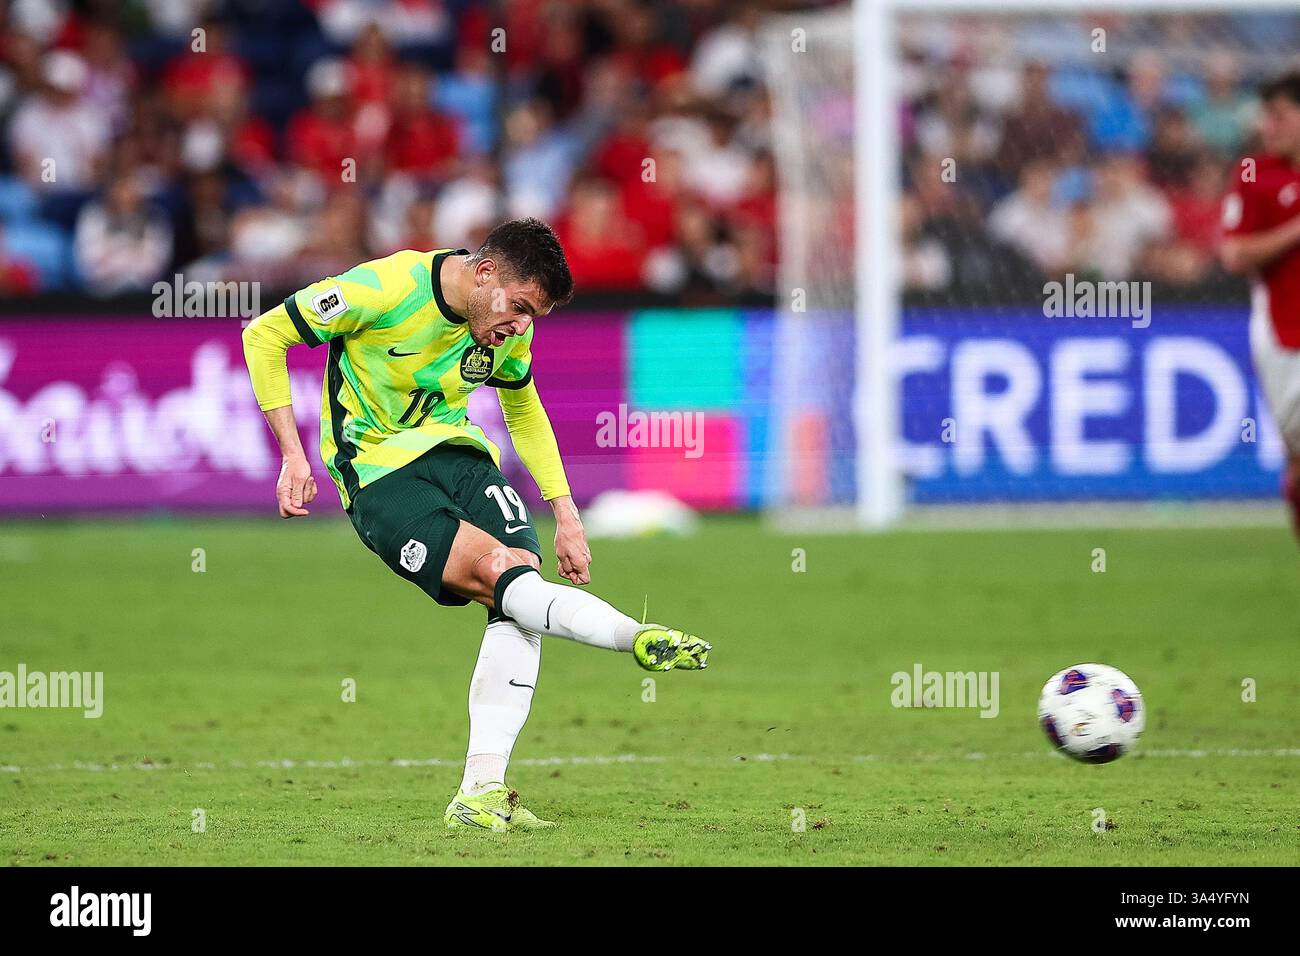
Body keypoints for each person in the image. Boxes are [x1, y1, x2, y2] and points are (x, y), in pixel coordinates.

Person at [241, 218, 711, 830]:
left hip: (462, 456)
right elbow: (265, 333)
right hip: (380, 470)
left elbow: (522, 403)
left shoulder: (507, 327)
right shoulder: (385, 288)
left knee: (519, 586)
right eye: (518, 308)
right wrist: (293, 454)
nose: (521, 327)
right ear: (485, 273)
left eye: (534, 317)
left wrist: (566, 513)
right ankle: (634, 637)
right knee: (501, 577)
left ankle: (481, 793)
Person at [1220, 73, 1300, 540]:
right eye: (1266, 117)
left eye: (1280, 116)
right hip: (1285, 338)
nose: (1268, 126)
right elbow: (1234, 254)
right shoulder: (1254, 171)